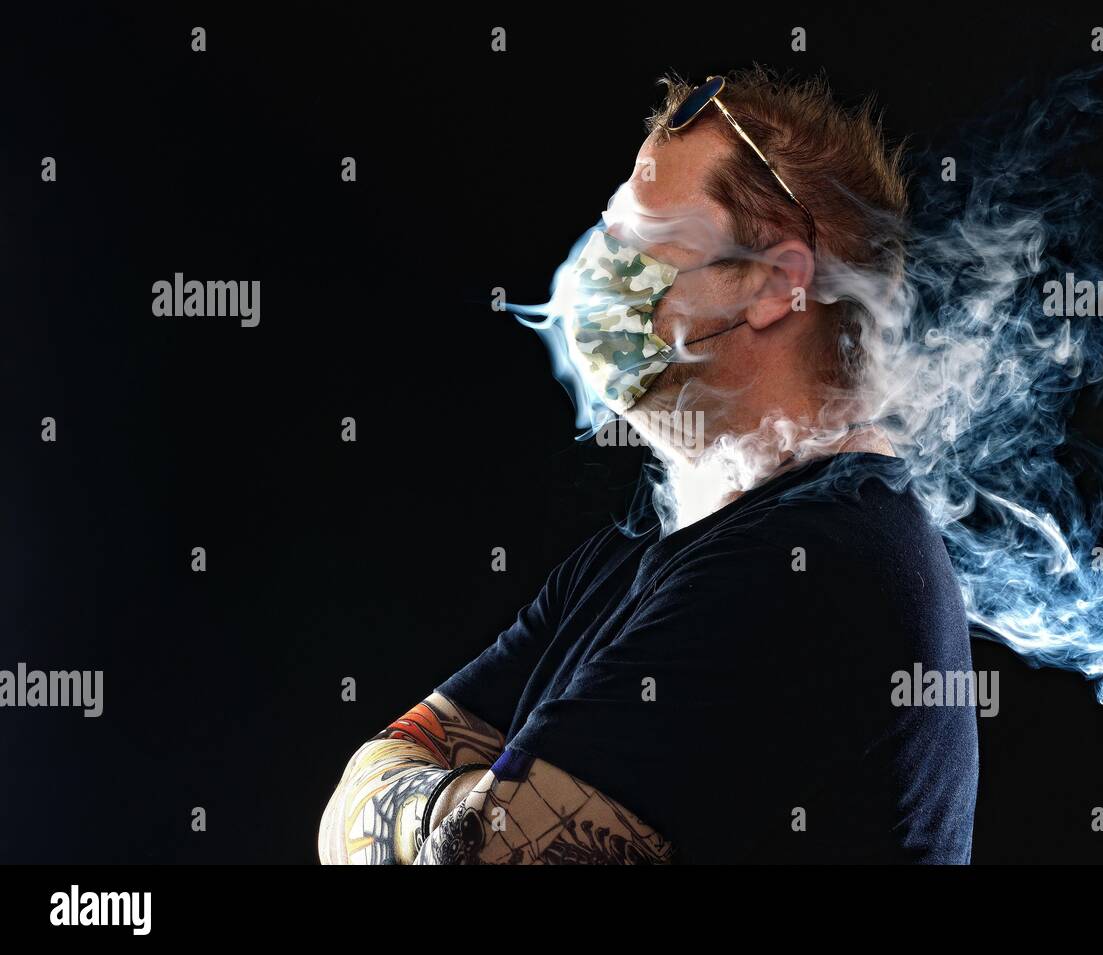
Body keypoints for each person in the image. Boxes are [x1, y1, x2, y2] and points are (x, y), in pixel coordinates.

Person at [319, 67, 977, 865]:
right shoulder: (628, 557)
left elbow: (474, 852)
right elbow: (345, 806)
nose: (598, 274)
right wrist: (456, 808)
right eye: (608, 233)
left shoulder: (817, 564)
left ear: (776, 285)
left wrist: (443, 803)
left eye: (642, 243)